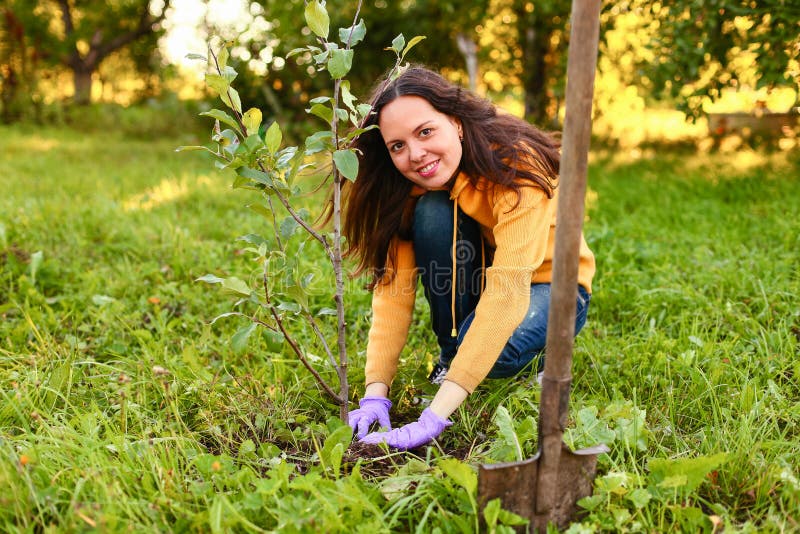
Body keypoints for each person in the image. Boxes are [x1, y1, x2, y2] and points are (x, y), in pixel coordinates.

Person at [343, 66, 595, 450]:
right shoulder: (410, 190)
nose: (416, 155)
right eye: (398, 146)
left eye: (425, 132)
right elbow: (394, 293)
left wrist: (434, 418)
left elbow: (508, 291)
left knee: (497, 355)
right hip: (486, 278)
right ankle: (453, 360)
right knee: (432, 211)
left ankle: (535, 357)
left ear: (456, 123)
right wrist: (375, 393)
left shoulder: (516, 167)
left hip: (552, 287)